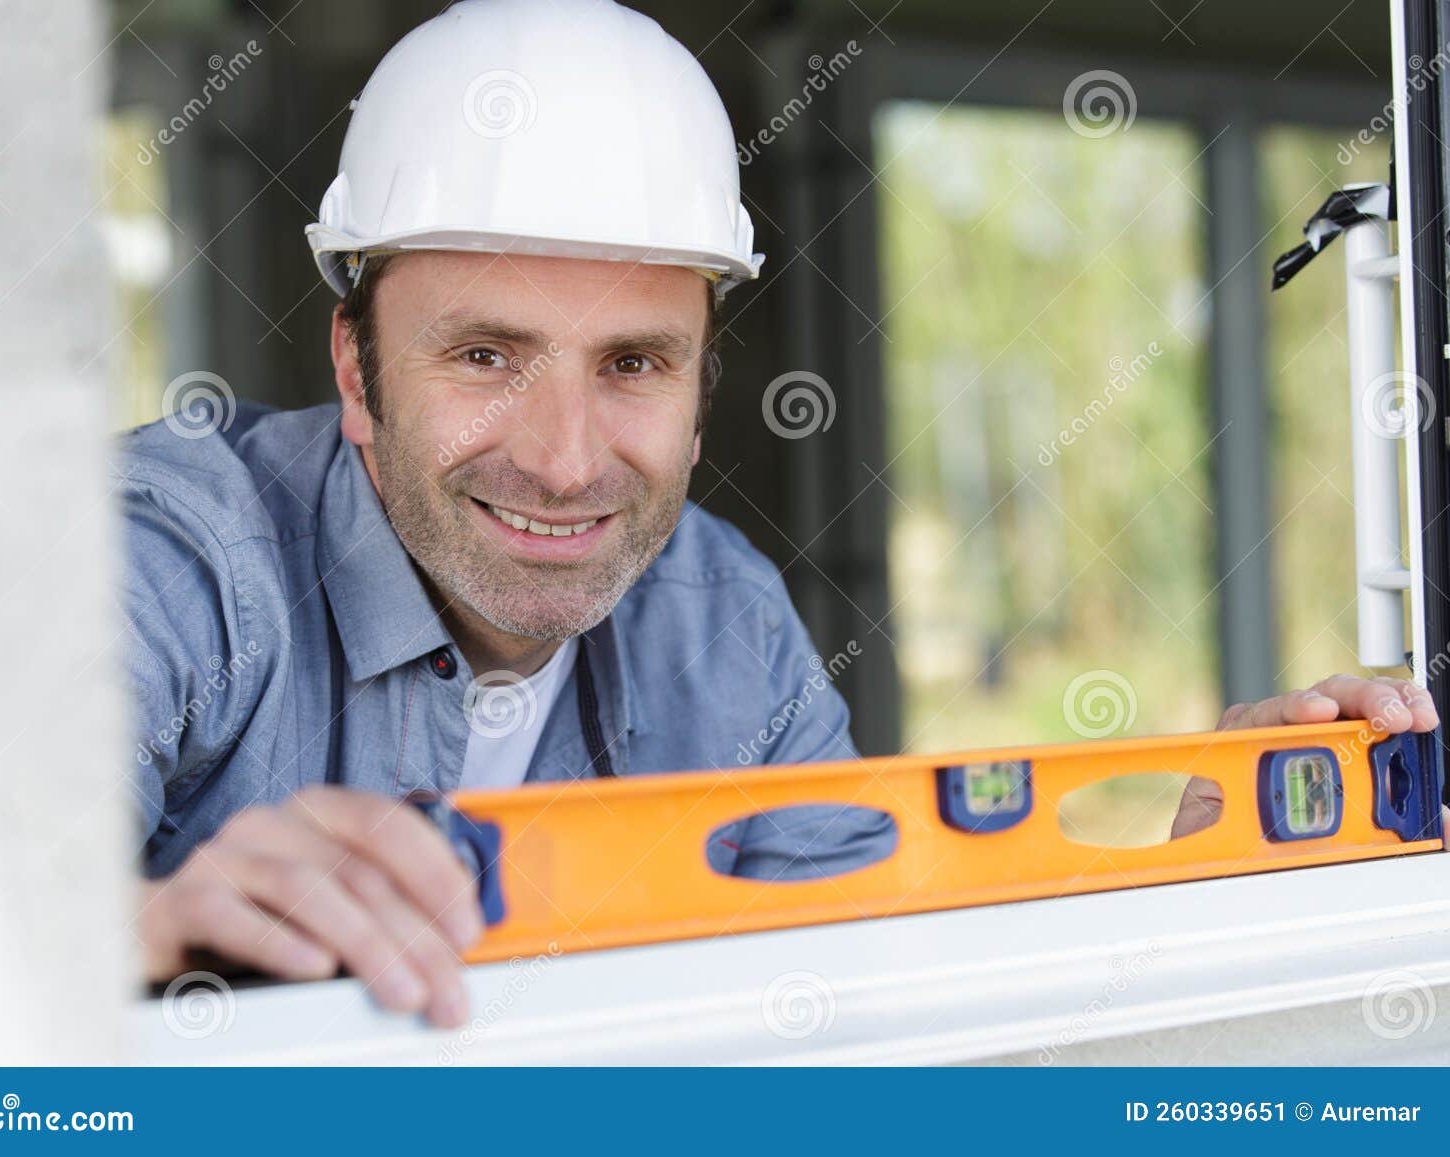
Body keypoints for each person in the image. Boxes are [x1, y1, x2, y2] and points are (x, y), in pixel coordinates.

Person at [121, 0, 1438, 1028]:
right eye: (484, 357)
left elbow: (906, 992)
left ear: (698, 389)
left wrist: (1207, 858)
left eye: (633, 364)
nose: (568, 462)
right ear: (356, 370)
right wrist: (135, 929)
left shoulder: (727, 627)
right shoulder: (170, 560)